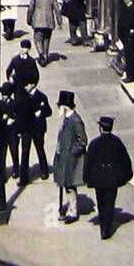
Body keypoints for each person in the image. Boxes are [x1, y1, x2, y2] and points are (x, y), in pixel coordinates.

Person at [84, 116, 133, 240]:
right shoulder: (116, 142)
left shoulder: (94, 143)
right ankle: (107, 228)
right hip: (112, 179)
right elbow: (125, 160)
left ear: (101, 128)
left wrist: (86, 177)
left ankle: (103, 227)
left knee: (101, 202)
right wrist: (128, 175)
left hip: (99, 179)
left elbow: (88, 162)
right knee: (110, 203)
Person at [52, 90, 87, 222]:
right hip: (64, 157)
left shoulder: (75, 120)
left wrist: (72, 153)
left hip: (70, 159)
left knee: (69, 185)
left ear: (65, 107)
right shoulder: (67, 119)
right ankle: (71, 209)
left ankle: (73, 212)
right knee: (66, 184)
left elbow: (82, 140)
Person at [16, 81, 53, 184]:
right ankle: (23, 177)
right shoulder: (23, 96)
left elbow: (49, 111)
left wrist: (41, 112)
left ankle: (44, 171)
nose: (25, 86)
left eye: (27, 84)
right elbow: (20, 113)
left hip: (37, 129)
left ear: (33, 85)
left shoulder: (41, 96)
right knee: (25, 153)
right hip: (27, 128)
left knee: (40, 149)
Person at [26, 0, 60, 65]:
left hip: (38, 21)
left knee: (37, 39)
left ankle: (40, 53)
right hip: (49, 22)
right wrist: (59, 21)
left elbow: (31, 8)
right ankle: (45, 55)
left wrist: (29, 19)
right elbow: (57, 10)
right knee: (46, 39)